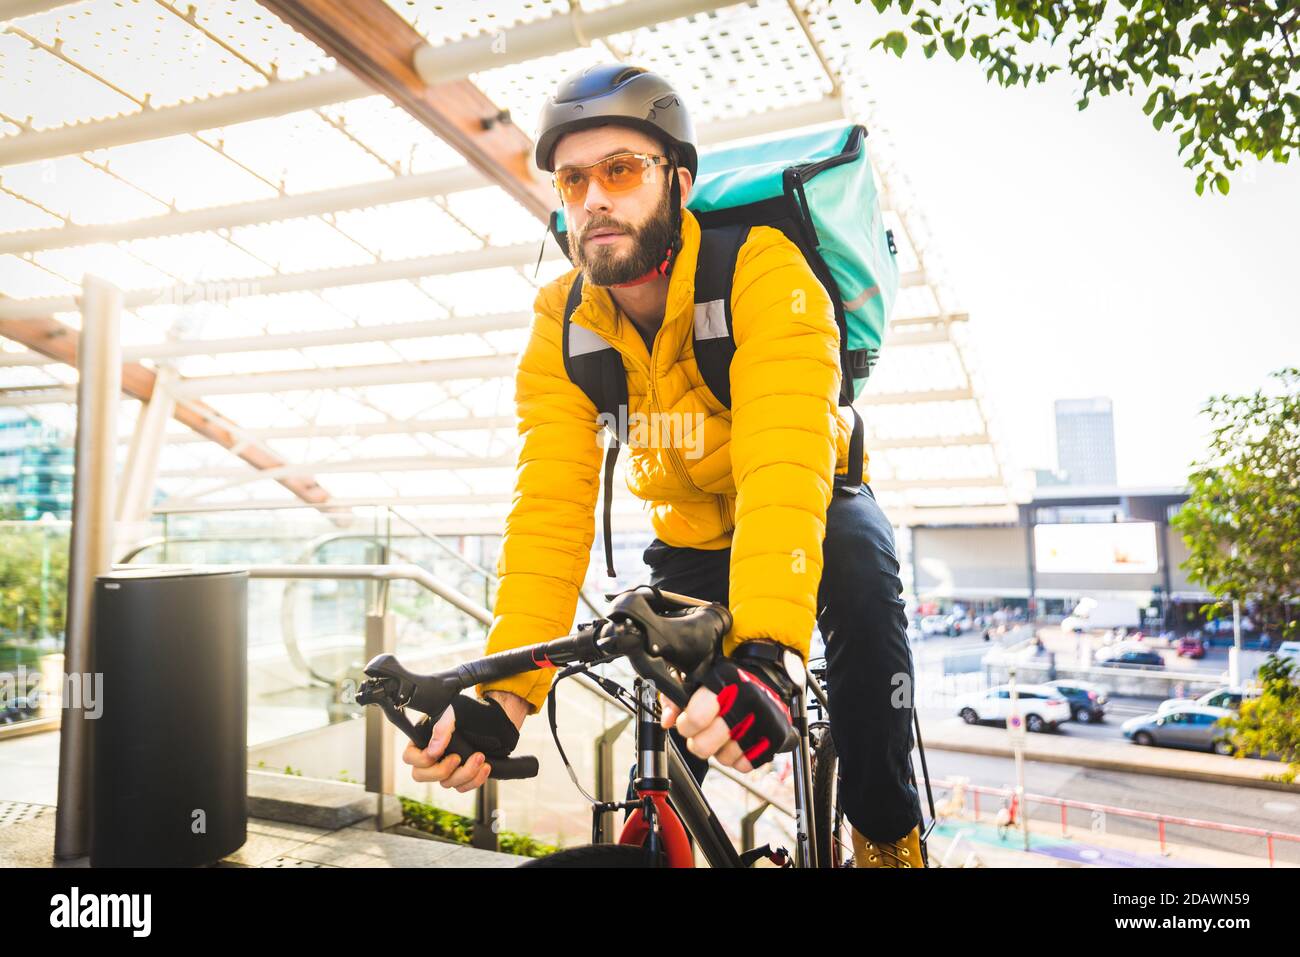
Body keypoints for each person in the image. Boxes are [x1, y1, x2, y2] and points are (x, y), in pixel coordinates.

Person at [401, 63, 924, 867]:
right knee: (664, 683)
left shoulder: (764, 270)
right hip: (689, 538)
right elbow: (550, 509)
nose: (593, 198)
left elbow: (782, 467)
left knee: (859, 589)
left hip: (812, 509)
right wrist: (503, 702)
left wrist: (768, 657)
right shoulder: (562, 324)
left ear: (678, 182)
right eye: (573, 181)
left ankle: (889, 839)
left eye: (621, 170)